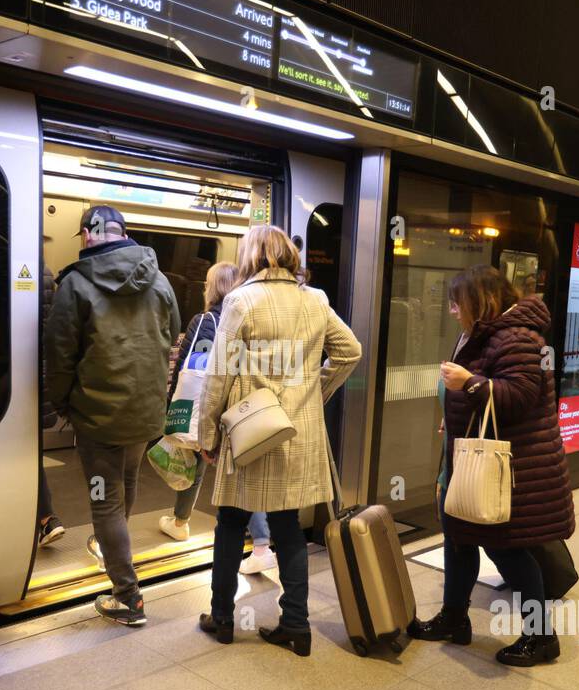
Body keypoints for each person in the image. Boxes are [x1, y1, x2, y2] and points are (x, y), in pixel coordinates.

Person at [195, 225, 360, 654]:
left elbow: (218, 376)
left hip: (249, 430)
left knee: (230, 522)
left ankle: (224, 619)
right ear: (288, 255)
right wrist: (313, 393)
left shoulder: (241, 300)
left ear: (251, 257)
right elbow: (350, 351)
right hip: (296, 432)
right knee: (288, 526)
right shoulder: (315, 300)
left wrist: (206, 434)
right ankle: (297, 626)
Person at [412, 264, 575, 667]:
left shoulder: (516, 337)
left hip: (511, 468)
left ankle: (541, 638)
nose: (452, 311)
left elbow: (518, 395)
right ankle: (454, 618)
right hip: (475, 456)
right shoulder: (487, 332)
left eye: (456, 303)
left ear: (479, 301)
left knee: (509, 551)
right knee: (458, 537)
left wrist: (468, 382)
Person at [45, 205, 181, 626]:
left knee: (105, 503)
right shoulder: (159, 281)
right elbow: (172, 337)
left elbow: (60, 353)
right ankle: (113, 550)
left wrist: (61, 402)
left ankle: (128, 596)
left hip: (98, 416)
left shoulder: (74, 284)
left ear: (88, 235)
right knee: (126, 484)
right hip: (144, 414)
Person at [158, 261, 275, 573]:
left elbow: (188, 365)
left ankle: (181, 522)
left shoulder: (204, 319)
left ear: (212, 287)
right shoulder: (249, 315)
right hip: (239, 406)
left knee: (193, 457)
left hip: (208, 404)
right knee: (240, 470)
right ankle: (262, 544)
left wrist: (172, 406)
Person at [36, 260, 65, 548]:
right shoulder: (45, 273)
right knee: (31, 453)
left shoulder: (0, 261)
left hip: (11, 376)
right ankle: (46, 519)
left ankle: (46, 518)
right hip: (43, 375)